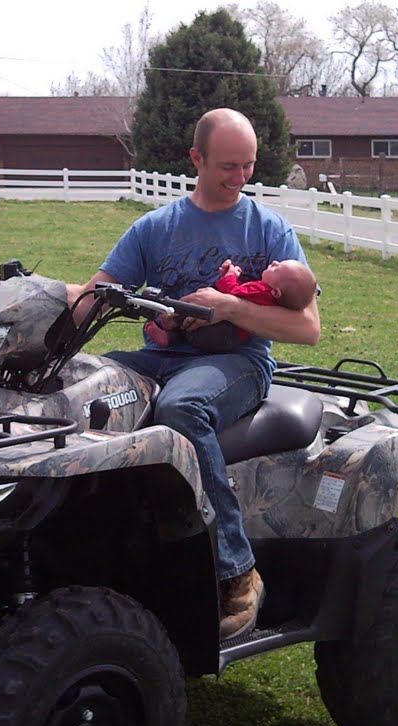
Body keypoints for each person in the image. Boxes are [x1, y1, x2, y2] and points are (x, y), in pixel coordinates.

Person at [65, 107, 320, 641]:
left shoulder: (269, 230)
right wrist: (40, 299)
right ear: (196, 159)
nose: (240, 178)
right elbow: (95, 294)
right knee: (78, 389)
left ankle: (236, 569)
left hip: (237, 364)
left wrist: (229, 310)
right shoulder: (155, 228)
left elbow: (307, 328)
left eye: (248, 166)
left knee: (182, 408)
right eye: (228, 166)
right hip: (160, 357)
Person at [144, 257, 319, 350]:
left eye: (277, 268)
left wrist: (230, 276)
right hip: (232, 339)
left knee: (196, 310)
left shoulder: (260, 291)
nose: (274, 262)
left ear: (276, 292)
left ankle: (169, 326)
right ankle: (169, 336)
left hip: (222, 333)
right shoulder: (270, 298)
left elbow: (233, 293)